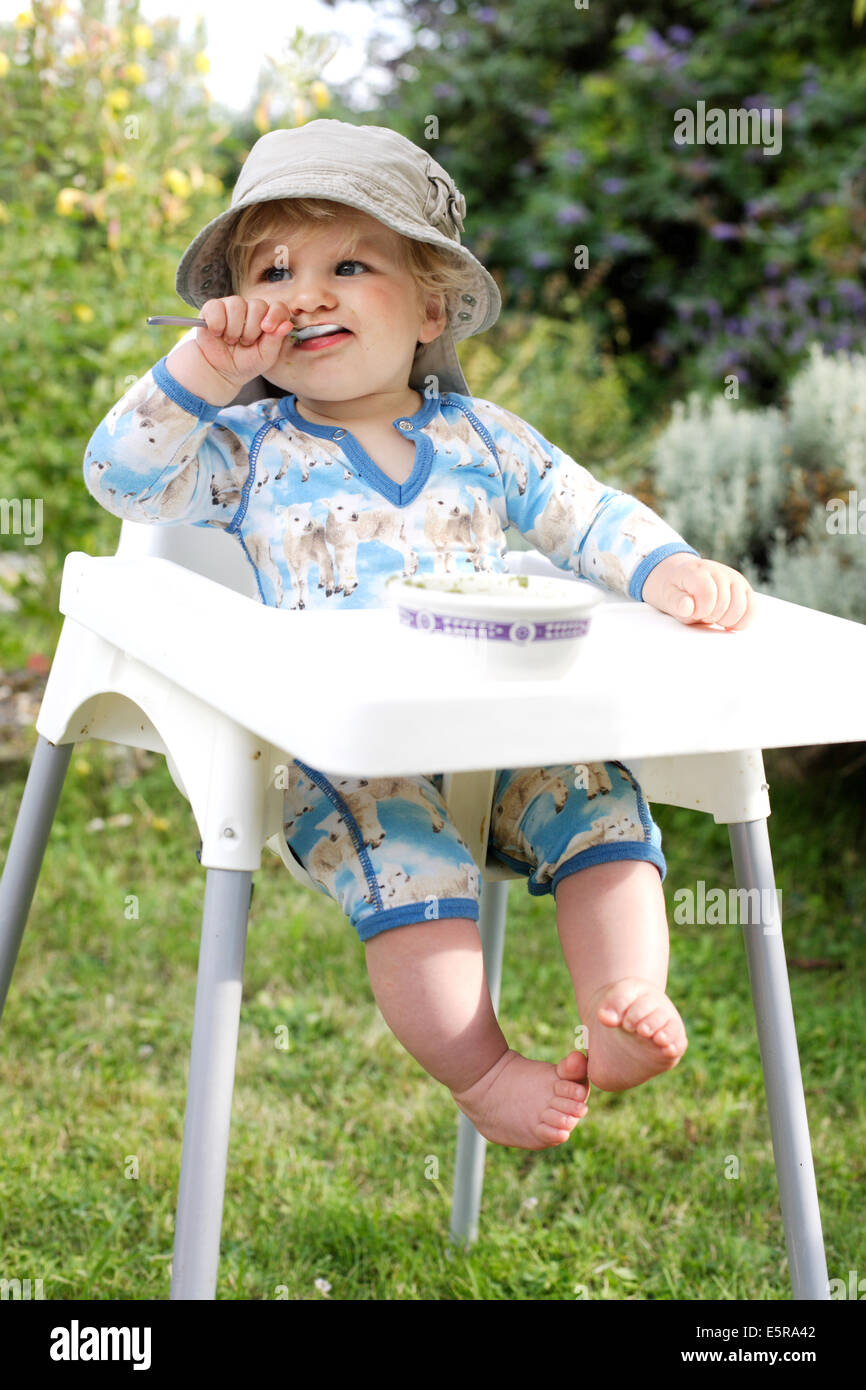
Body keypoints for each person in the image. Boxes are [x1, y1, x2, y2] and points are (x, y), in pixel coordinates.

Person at [83, 120, 756, 1150]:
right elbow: (121, 478)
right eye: (272, 272)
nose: (306, 294)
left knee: (601, 799)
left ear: (430, 307)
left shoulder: (482, 437)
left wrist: (666, 569)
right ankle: (480, 1070)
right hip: (347, 760)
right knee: (413, 863)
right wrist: (203, 368)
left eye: (348, 266)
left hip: (504, 731)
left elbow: (585, 514)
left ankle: (620, 1003)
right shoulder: (247, 453)